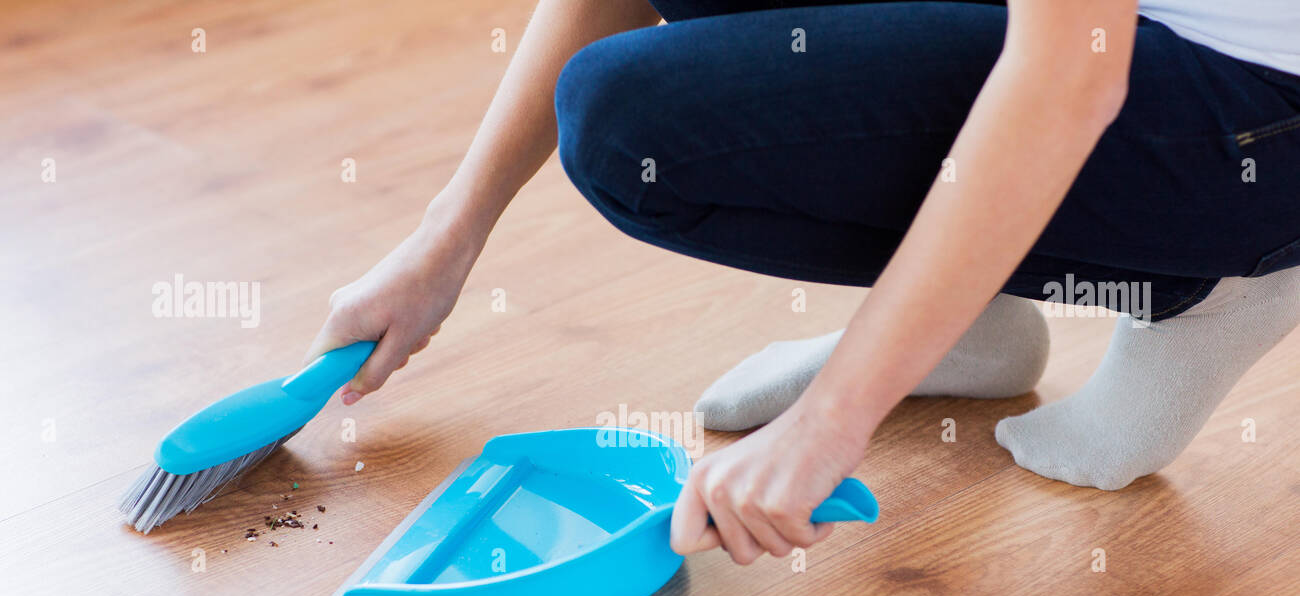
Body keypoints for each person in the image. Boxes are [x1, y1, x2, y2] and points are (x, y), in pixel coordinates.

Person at [306, 0, 1300, 564]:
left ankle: (1199, 285)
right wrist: (444, 241)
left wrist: (832, 421)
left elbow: (1067, 77)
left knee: (625, 121)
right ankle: (968, 321)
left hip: (1255, 116)